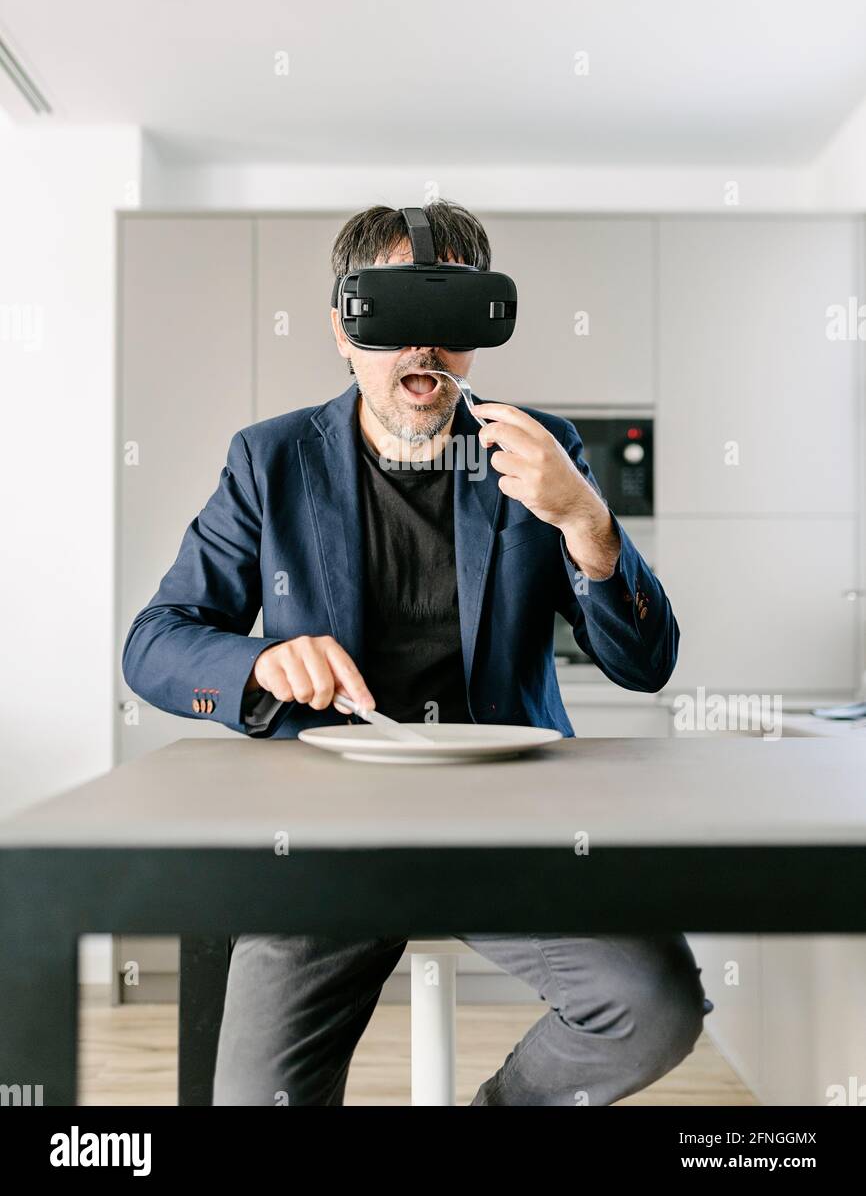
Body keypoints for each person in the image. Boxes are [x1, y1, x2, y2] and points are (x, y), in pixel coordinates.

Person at [123, 199, 712, 1106]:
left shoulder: (538, 454)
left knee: (656, 1003)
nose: (421, 351)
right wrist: (257, 666)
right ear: (344, 329)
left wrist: (586, 522)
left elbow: (648, 662)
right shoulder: (271, 460)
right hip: (326, 834)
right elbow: (154, 642)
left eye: (447, 319)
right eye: (394, 318)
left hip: (507, 823)